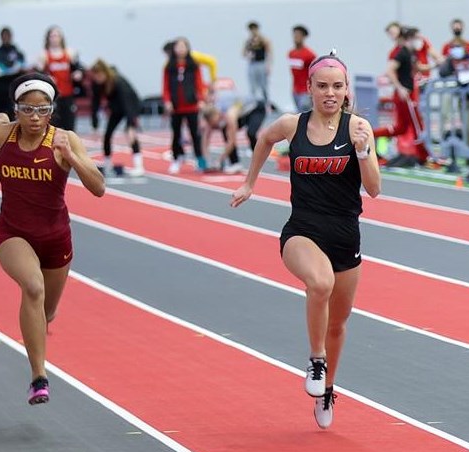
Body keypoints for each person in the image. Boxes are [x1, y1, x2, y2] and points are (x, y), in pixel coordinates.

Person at [232, 55, 381, 429]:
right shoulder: (291, 125)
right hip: (302, 231)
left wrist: (363, 151)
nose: (329, 93)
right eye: (322, 86)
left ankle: (328, 387)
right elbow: (264, 138)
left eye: (336, 86)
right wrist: (251, 182)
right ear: (309, 89)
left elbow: (375, 189)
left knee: (339, 323)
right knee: (320, 283)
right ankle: (316, 360)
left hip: (346, 235)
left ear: (346, 91)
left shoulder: (358, 128)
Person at [0, 74, 107, 404]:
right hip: (13, 233)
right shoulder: (5, 131)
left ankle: (42, 321)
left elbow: (100, 188)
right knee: (32, 287)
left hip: (56, 239)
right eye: (27, 110)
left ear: (51, 111)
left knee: (45, 311)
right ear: (16, 110)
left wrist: (71, 158)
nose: (34, 117)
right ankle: (39, 377)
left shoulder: (64, 139)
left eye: (42, 110)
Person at [88, 60, 144, 177]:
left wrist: (131, 124)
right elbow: (95, 103)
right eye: (95, 76)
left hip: (131, 105)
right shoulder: (97, 84)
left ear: (105, 73)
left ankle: (139, 166)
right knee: (107, 135)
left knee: (130, 135)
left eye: (99, 76)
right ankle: (107, 164)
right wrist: (95, 125)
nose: (97, 78)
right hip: (116, 108)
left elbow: (127, 103)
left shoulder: (118, 81)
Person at [162, 38, 208, 174]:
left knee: (195, 134)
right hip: (176, 106)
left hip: (191, 105)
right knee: (176, 134)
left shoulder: (194, 65)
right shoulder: (169, 67)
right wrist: (167, 101)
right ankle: (176, 159)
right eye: (178, 46)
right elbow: (165, 86)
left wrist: (201, 99)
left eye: (183, 46)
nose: (181, 49)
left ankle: (200, 160)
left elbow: (199, 84)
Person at [39, 27, 82, 131]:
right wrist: (46, 78)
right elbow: (38, 74)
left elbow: (79, 68)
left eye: (57, 36)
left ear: (61, 38)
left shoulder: (69, 53)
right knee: (54, 127)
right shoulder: (44, 55)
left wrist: (78, 73)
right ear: (48, 38)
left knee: (70, 127)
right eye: (52, 36)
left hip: (68, 95)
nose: (55, 39)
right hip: (54, 96)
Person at [289, 25, 316, 111]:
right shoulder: (291, 53)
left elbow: (315, 73)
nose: (296, 37)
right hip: (295, 91)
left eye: (299, 35)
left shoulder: (309, 55)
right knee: (298, 114)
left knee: (304, 112)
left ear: (303, 37)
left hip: (305, 91)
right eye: (295, 35)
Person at [244, 21, 271, 103]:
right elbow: (243, 53)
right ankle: (254, 103)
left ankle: (266, 103)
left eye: (254, 29)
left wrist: (268, 65)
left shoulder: (263, 40)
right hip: (252, 64)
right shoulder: (249, 41)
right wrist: (248, 55)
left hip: (261, 63)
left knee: (263, 86)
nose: (253, 31)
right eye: (251, 29)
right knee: (253, 87)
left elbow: (269, 53)